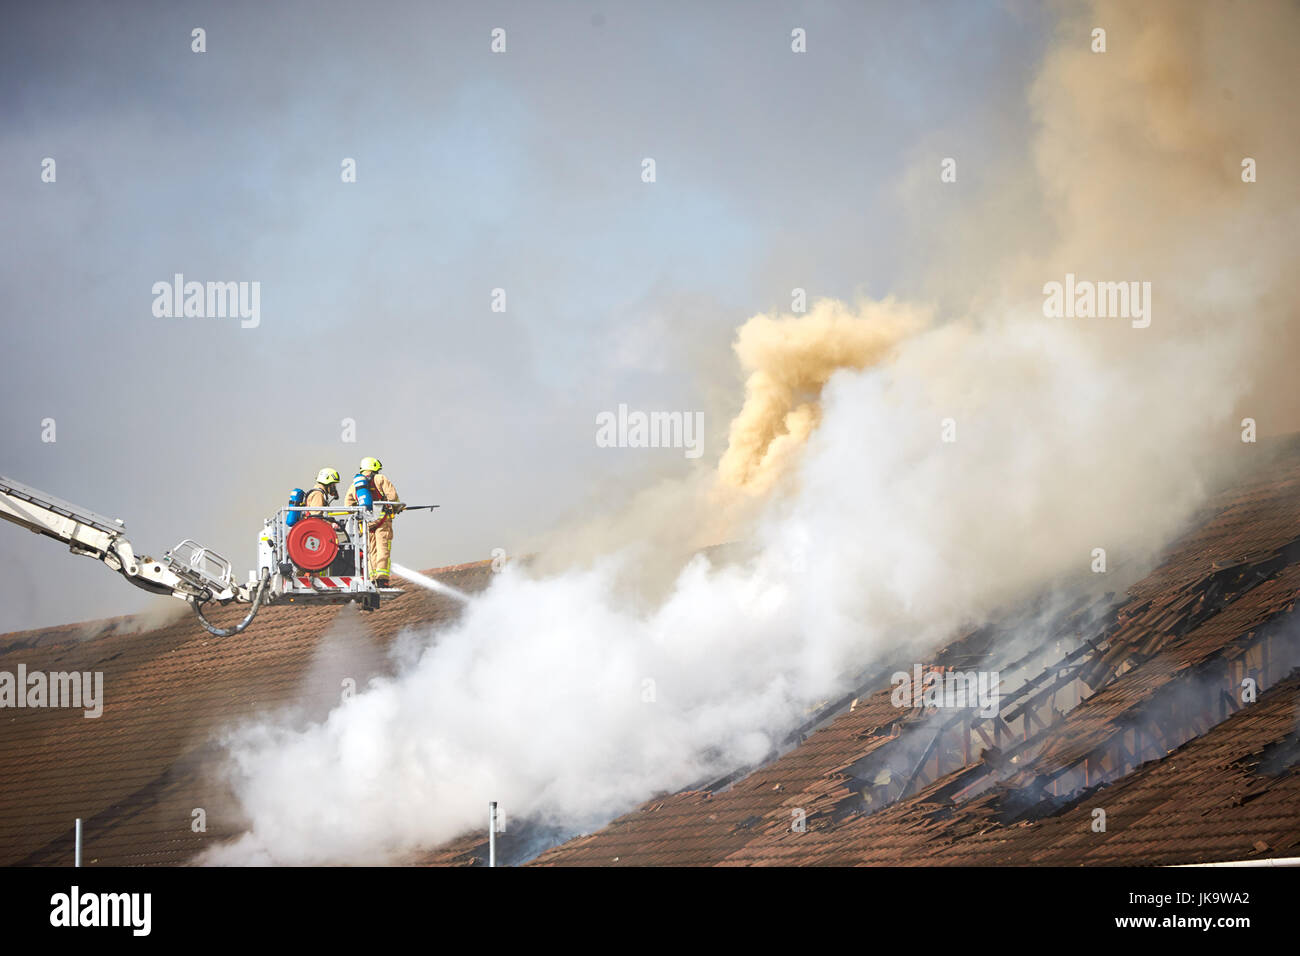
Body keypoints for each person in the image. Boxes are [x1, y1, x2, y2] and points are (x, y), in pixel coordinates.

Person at [344, 457, 403, 587]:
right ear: (375, 467)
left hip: (366, 523)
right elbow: (393, 497)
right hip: (383, 520)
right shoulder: (380, 478)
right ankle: (382, 579)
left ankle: (372, 578)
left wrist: (359, 513)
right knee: (383, 547)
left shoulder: (356, 484)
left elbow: (348, 504)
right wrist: (396, 507)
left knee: (371, 550)